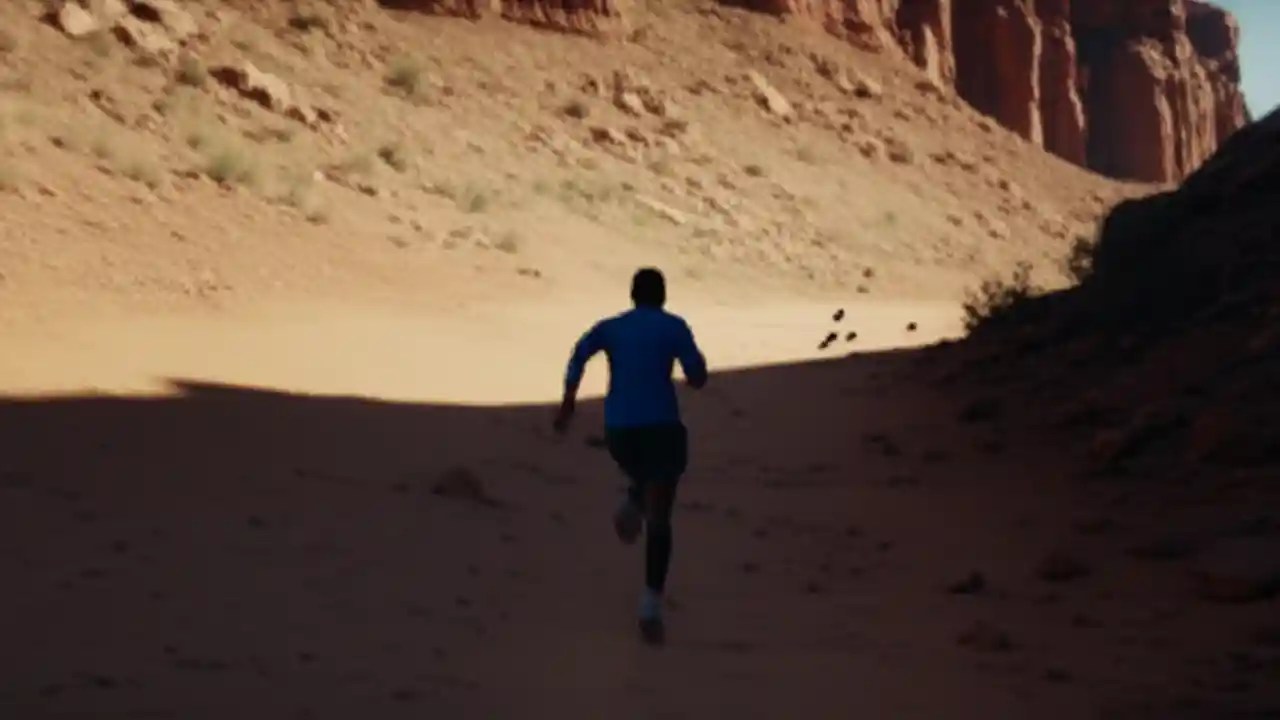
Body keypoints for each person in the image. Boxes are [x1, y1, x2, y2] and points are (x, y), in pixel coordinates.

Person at [553, 267, 708, 642]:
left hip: (619, 432)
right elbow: (697, 376)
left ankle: (635, 498)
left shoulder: (611, 327)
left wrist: (569, 404)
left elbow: (579, 353)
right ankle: (650, 603)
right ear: (663, 296)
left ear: (632, 296)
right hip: (661, 428)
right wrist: (693, 370)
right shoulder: (674, 326)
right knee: (662, 512)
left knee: (648, 470)